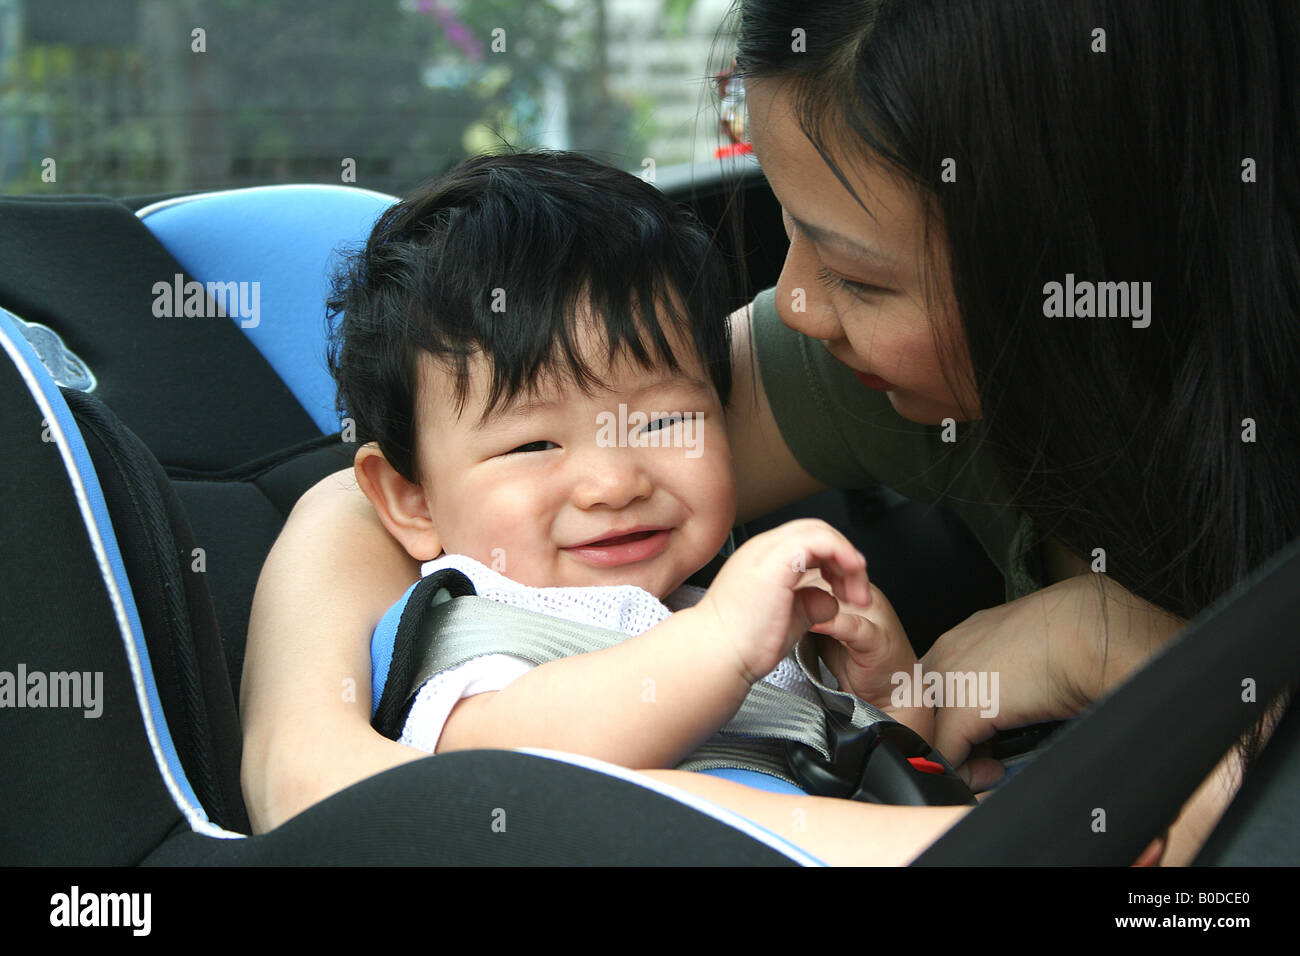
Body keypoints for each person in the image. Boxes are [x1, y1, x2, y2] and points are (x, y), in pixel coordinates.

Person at [240, 0, 1298, 865]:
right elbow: (383, 514)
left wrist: (902, 694)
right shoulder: (523, 612)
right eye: (784, 229)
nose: (790, 305)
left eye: (854, 271)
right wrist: (314, 753)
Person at [329, 149, 932, 771]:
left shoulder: (727, 613)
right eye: (533, 445)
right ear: (412, 500)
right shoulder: (473, 639)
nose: (614, 484)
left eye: (664, 421)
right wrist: (721, 643)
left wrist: (884, 697)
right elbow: (501, 767)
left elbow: (884, 784)